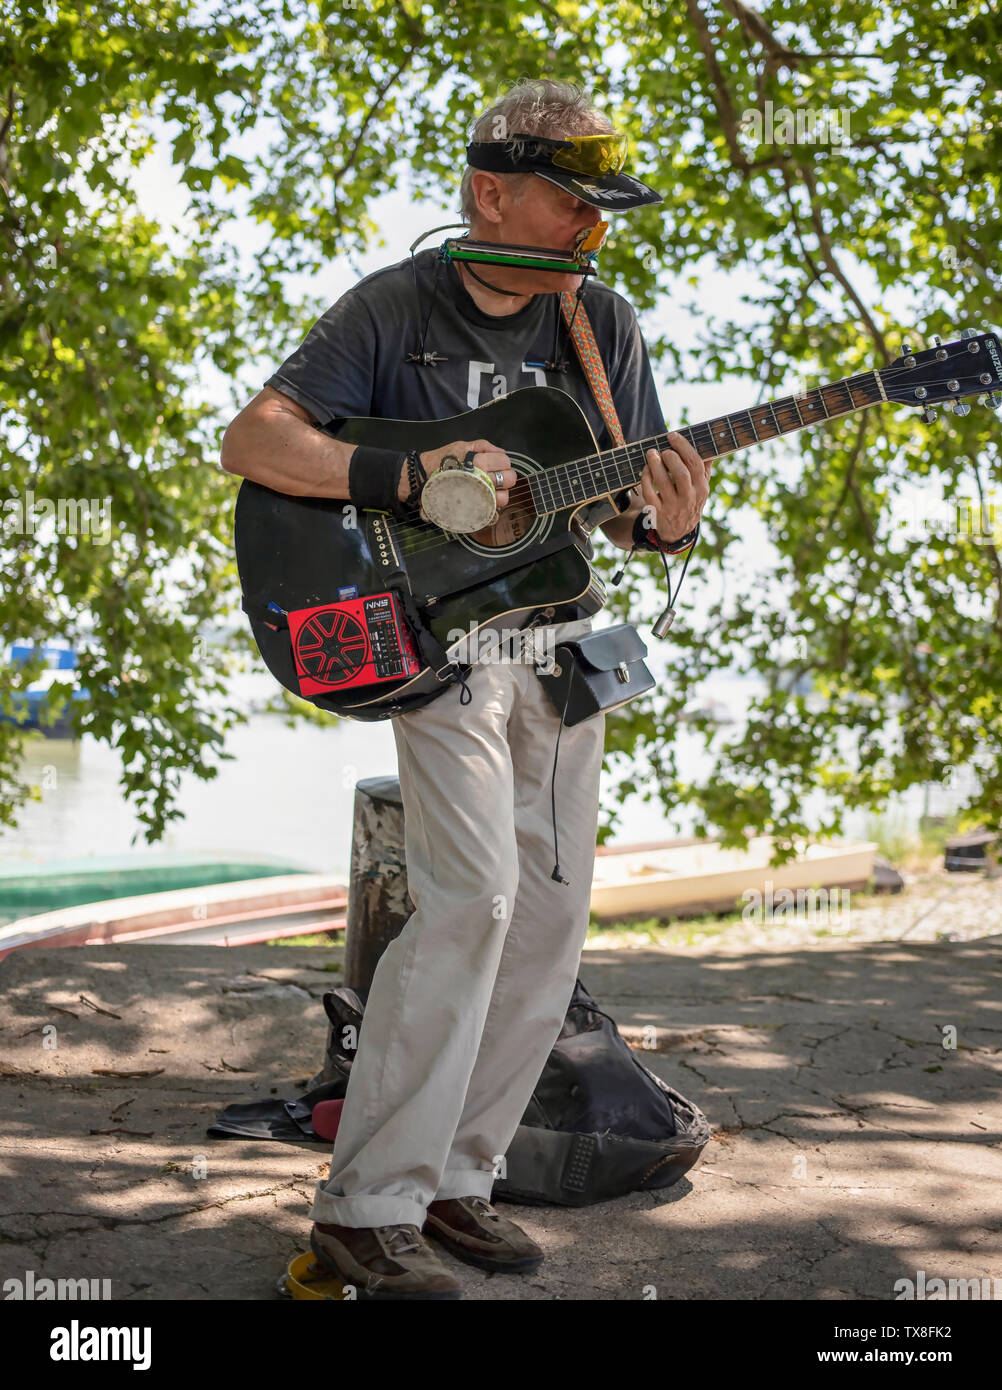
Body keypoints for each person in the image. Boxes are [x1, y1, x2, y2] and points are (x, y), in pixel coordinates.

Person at [220, 78, 711, 1300]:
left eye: (605, 208)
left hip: (562, 647)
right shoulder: (395, 306)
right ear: (490, 191)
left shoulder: (606, 325)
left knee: (547, 924)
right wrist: (407, 470)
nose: (595, 228)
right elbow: (256, 439)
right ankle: (366, 1203)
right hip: (438, 644)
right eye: (573, 203)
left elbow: (629, 503)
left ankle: (457, 1183)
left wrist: (669, 526)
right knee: (474, 902)